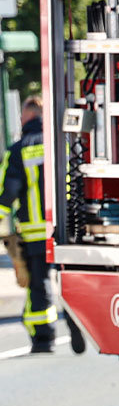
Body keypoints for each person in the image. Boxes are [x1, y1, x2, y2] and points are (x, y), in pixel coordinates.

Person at [2, 96, 57, 353]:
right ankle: (74, 324)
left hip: (36, 231)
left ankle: (44, 337)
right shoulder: (59, 143)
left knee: (38, 283)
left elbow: (9, 191)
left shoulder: (19, 149)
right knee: (64, 280)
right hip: (67, 228)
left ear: (29, 115)